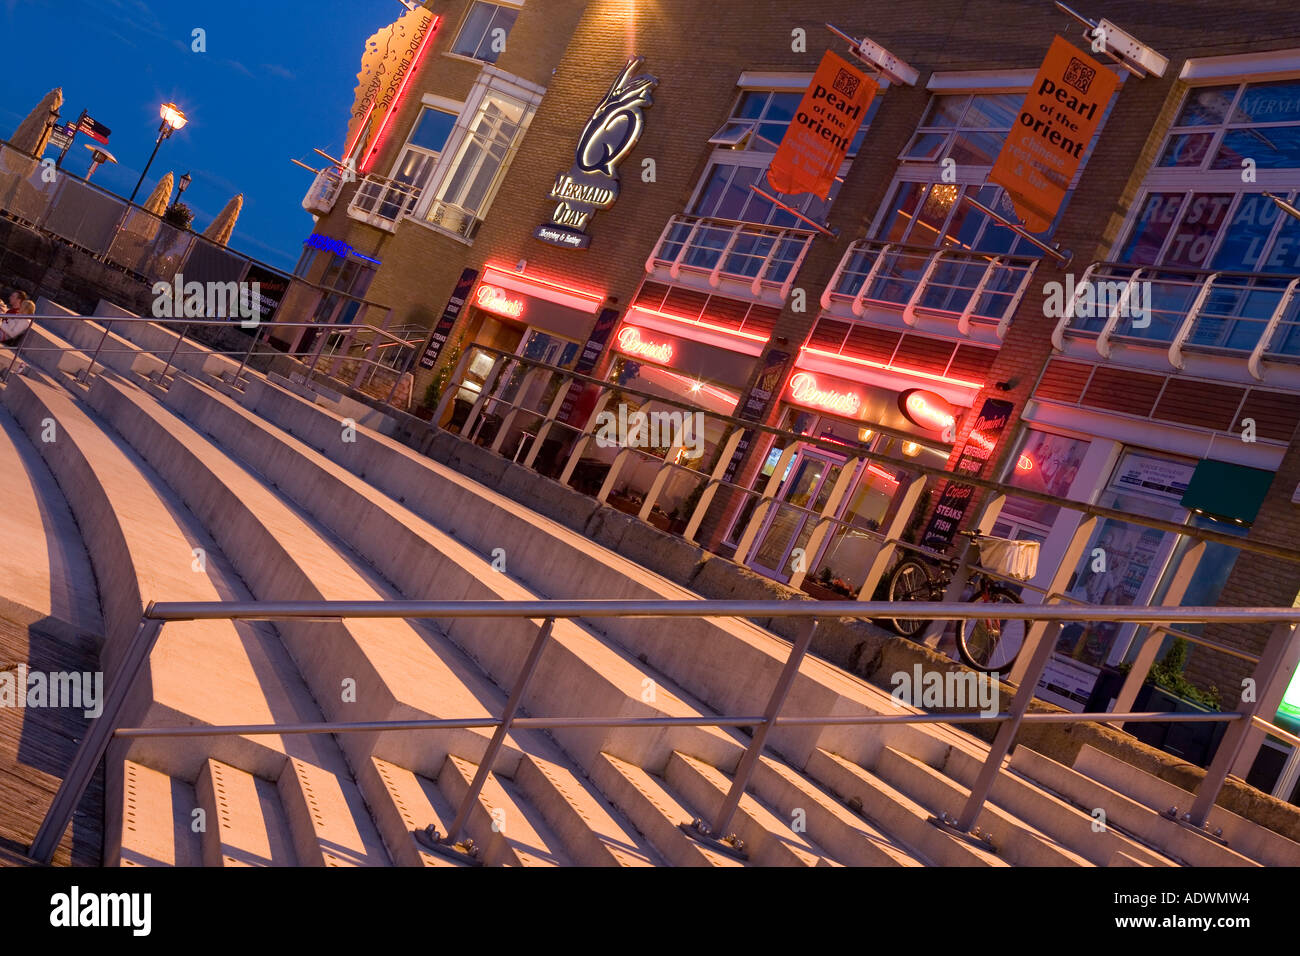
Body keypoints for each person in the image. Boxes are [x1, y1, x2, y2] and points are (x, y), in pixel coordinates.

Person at [0, 291, 34, 375]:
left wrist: (1, 324)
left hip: (6, 337)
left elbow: (12, 334)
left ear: (25, 308)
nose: (20, 307)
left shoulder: (25, 321)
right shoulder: (20, 317)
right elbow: (8, 324)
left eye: (22, 306)